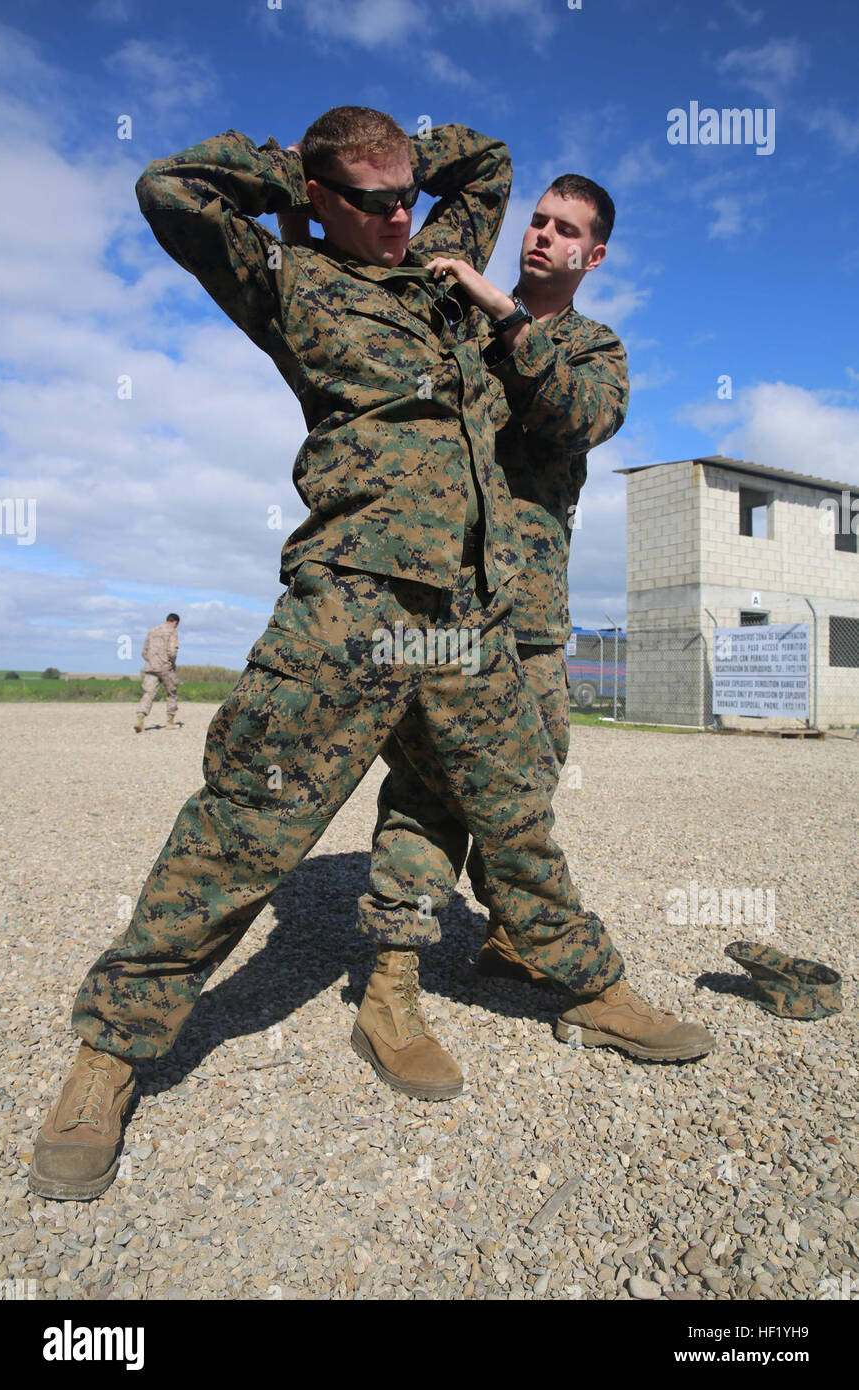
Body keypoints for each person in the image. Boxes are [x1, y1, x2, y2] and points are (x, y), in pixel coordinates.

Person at [30, 107, 709, 1205]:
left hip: (471, 619)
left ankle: (590, 986)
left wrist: (401, 161)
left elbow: (484, 158)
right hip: (348, 607)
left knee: (519, 821)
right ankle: (108, 1055)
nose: (401, 218)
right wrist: (296, 174)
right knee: (244, 828)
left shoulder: (446, 277)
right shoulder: (285, 278)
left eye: (408, 198)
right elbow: (169, 188)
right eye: (374, 201)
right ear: (319, 199)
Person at [360, 176, 640, 998]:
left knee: (529, 780)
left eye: (566, 230)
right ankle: (393, 975)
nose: (543, 236)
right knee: (431, 783)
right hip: (444, 599)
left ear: (594, 255)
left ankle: (513, 933)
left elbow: (580, 417)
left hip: (531, 616)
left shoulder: (593, 347)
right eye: (538, 220)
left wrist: (509, 320)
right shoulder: (455, 317)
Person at [134, 613, 179, 732]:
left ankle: (140, 718)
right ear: (175, 622)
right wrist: (171, 663)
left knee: (148, 693)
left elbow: (144, 651)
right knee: (172, 693)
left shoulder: (152, 631)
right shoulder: (172, 631)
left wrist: (151, 661)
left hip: (150, 667)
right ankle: (170, 722)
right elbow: (172, 651)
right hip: (166, 667)